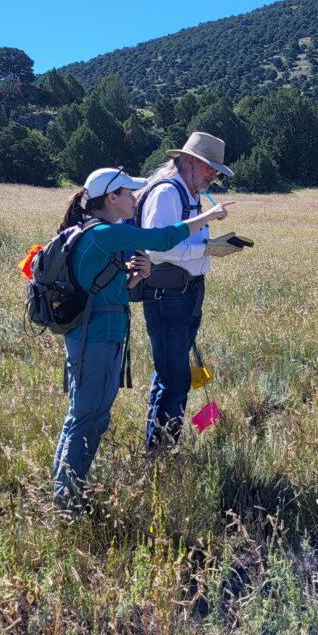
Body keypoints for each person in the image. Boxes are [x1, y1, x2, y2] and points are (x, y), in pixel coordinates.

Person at [52, 165, 234, 513]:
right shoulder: (107, 234)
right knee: (86, 418)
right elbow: (163, 239)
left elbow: (110, 290)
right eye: (130, 193)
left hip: (97, 335)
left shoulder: (96, 233)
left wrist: (137, 279)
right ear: (112, 198)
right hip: (97, 339)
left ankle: (67, 494)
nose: (136, 198)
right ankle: (66, 504)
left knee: (88, 416)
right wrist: (209, 217)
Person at [132, 132, 245, 452]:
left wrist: (210, 248)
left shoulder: (190, 193)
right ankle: (159, 457)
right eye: (210, 169)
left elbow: (180, 243)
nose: (214, 176)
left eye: (217, 171)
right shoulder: (168, 193)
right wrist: (207, 249)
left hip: (186, 295)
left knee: (169, 375)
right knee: (176, 381)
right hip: (167, 298)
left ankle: (159, 450)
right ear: (191, 161)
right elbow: (156, 250)